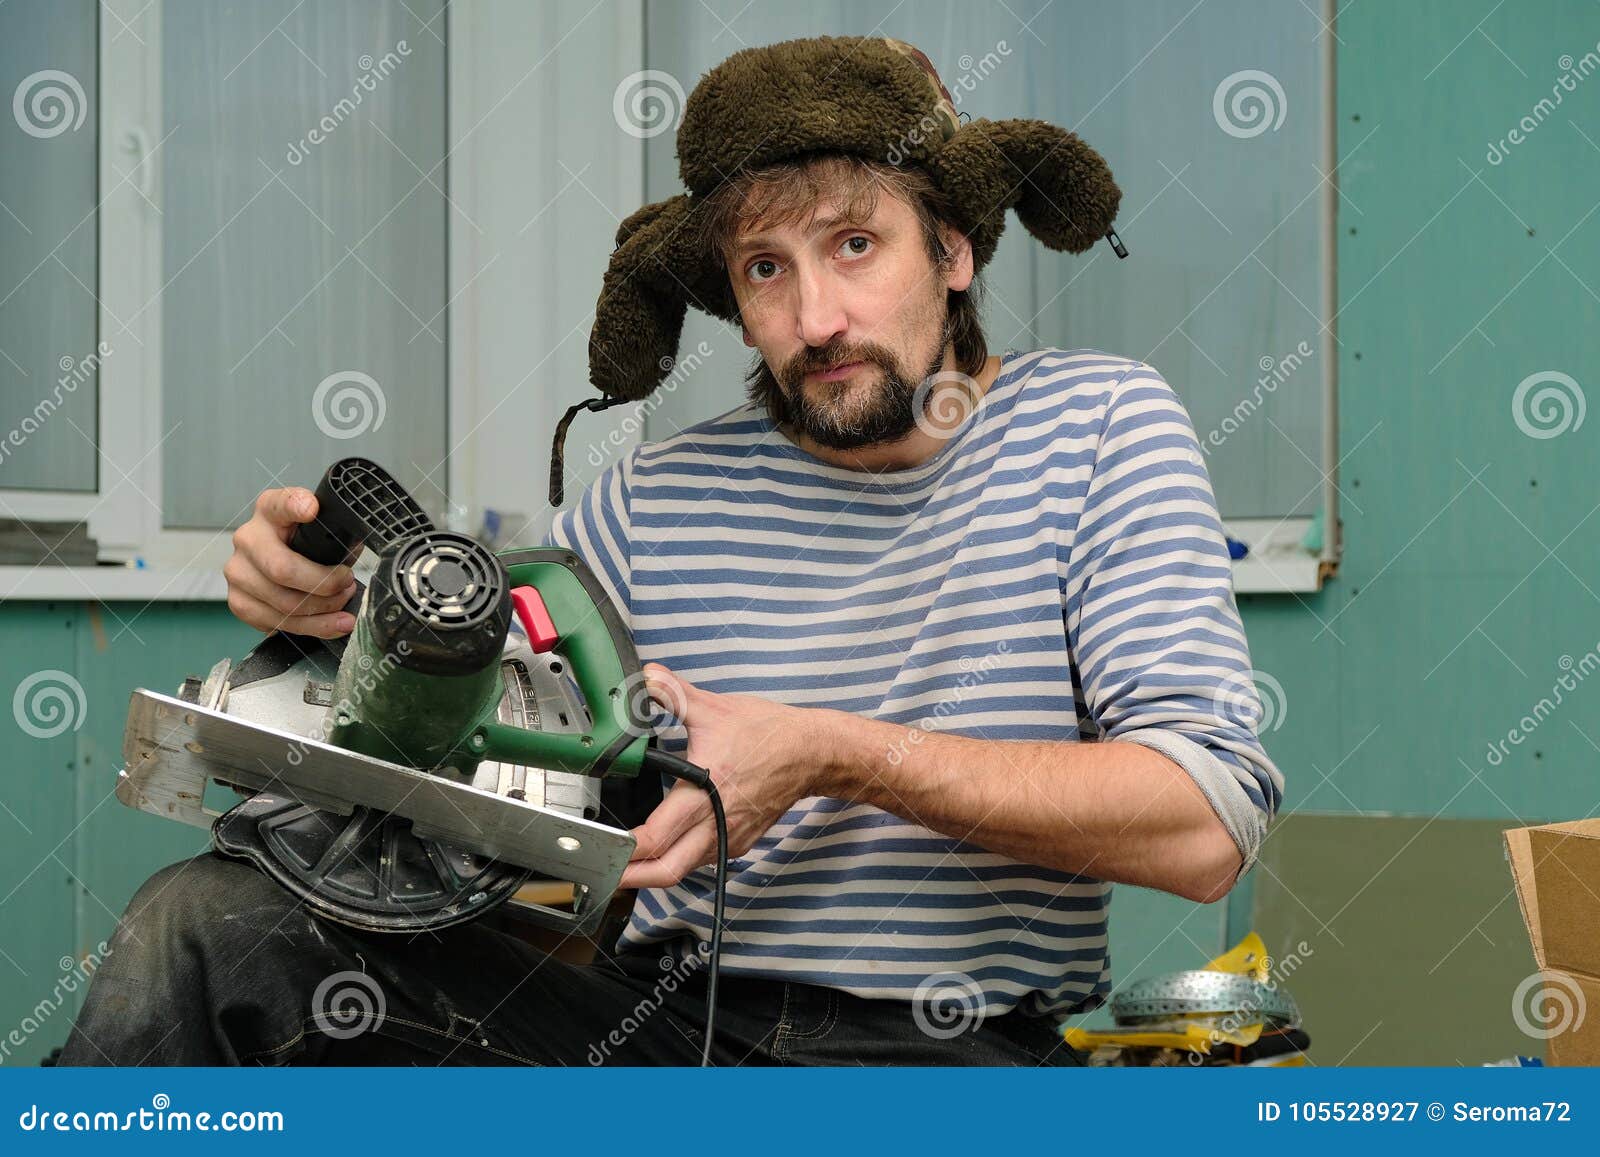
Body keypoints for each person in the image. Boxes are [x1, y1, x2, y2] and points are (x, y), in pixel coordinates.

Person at [58, 35, 1281, 1067]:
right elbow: (499, 773)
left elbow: (1202, 823)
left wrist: (827, 755)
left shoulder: (1099, 427)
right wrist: (342, 620)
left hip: (951, 1057)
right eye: (765, 268)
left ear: (952, 251)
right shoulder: (650, 499)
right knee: (202, 923)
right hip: (655, 1035)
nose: (814, 318)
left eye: (856, 245)